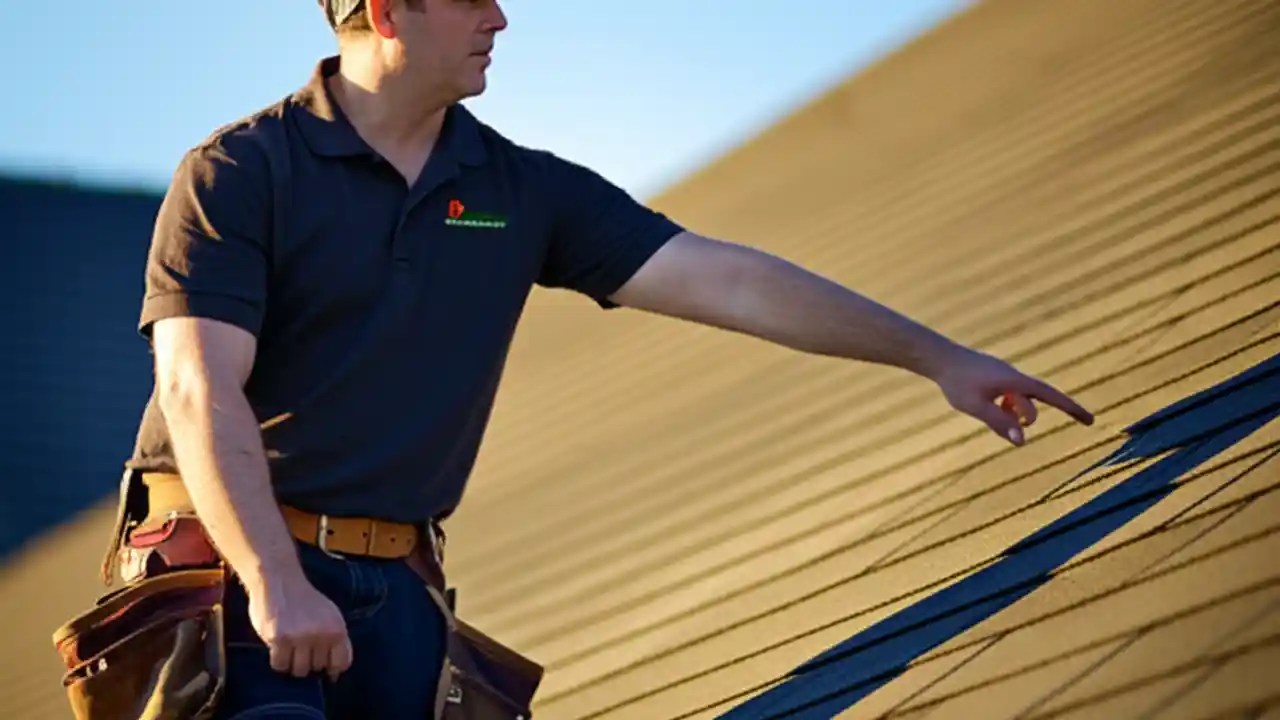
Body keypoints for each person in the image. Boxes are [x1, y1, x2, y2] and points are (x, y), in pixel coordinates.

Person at [123, 0, 1096, 718]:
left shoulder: (514, 189)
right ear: (386, 11)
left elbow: (730, 281)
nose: (501, 18)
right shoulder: (242, 173)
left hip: (398, 589)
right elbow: (199, 388)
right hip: (228, 575)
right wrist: (274, 580)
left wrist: (936, 357)